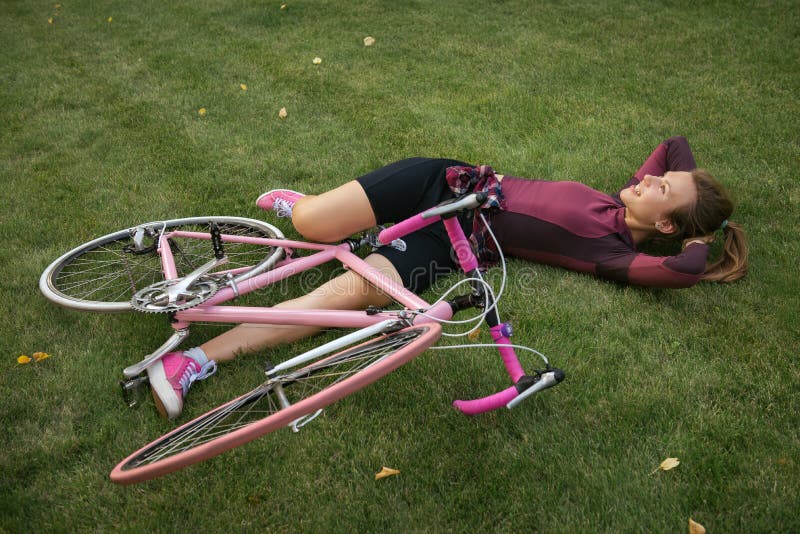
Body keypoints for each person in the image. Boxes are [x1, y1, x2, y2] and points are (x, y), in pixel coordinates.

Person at [147, 136, 748, 419]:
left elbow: (683, 271)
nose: (646, 180)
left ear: (667, 228)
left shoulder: (616, 253)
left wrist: (699, 238)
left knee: (336, 298)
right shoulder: (623, 204)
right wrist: (688, 203)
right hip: (442, 182)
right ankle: (305, 209)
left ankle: (193, 360)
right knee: (309, 222)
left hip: (452, 244)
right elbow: (675, 145)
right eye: (652, 180)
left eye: (659, 191)